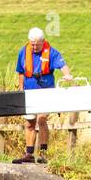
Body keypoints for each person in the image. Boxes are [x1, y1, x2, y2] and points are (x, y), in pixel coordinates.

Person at [12, 26, 72, 164]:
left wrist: (67, 75)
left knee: (41, 119)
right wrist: (21, 87)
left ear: (43, 42)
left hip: (46, 92)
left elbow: (63, 66)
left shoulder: (51, 53)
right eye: (32, 45)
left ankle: (43, 153)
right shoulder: (23, 52)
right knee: (29, 123)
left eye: (37, 45)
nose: (34, 48)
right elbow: (21, 71)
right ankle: (29, 154)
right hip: (29, 92)